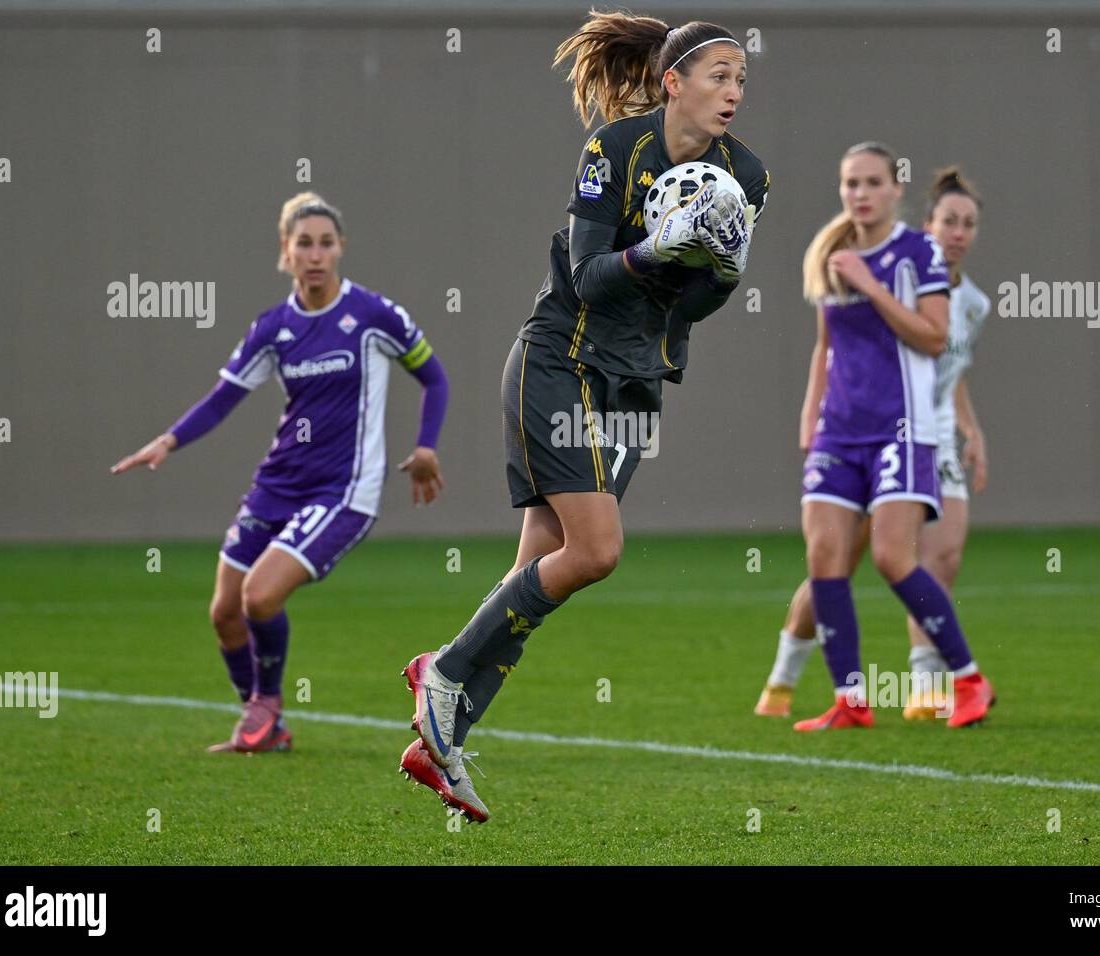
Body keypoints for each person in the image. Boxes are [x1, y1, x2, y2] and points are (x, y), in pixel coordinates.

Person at [396, 11, 769, 822]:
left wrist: (726, 268)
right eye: (718, 76)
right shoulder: (615, 150)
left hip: (638, 385)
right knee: (594, 552)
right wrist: (660, 247)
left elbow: (699, 305)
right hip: (561, 361)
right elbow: (594, 277)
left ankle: (441, 738)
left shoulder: (747, 174)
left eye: (741, 79)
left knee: (543, 564)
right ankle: (446, 673)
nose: (734, 91)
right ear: (673, 82)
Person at [111, 192, 449, 752]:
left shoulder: (371, 316)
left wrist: (427, 447)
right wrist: (168, 440)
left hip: (343, 492)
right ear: (285, 253)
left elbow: (434, 378)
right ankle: (265, 724)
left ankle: (266, 705)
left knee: (260, 597)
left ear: (340, 248)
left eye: (325, 242)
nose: (315, 254)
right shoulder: (273, 327)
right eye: (303, 243)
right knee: (224, 611)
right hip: (277, 484)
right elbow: (223, 399)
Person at [754, 166, 991, 721]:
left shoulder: (918, 254)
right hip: (840, 429)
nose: (860, 193)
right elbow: (825, 346)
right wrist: (811, 413)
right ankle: (850, 700)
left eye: (872, 183)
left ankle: (967, 680)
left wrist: (869, 284)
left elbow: (935, 340)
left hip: (902, 428)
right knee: (825, 559)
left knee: (890, 557)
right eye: (850, 183)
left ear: (896, 189)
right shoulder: (833, 252)